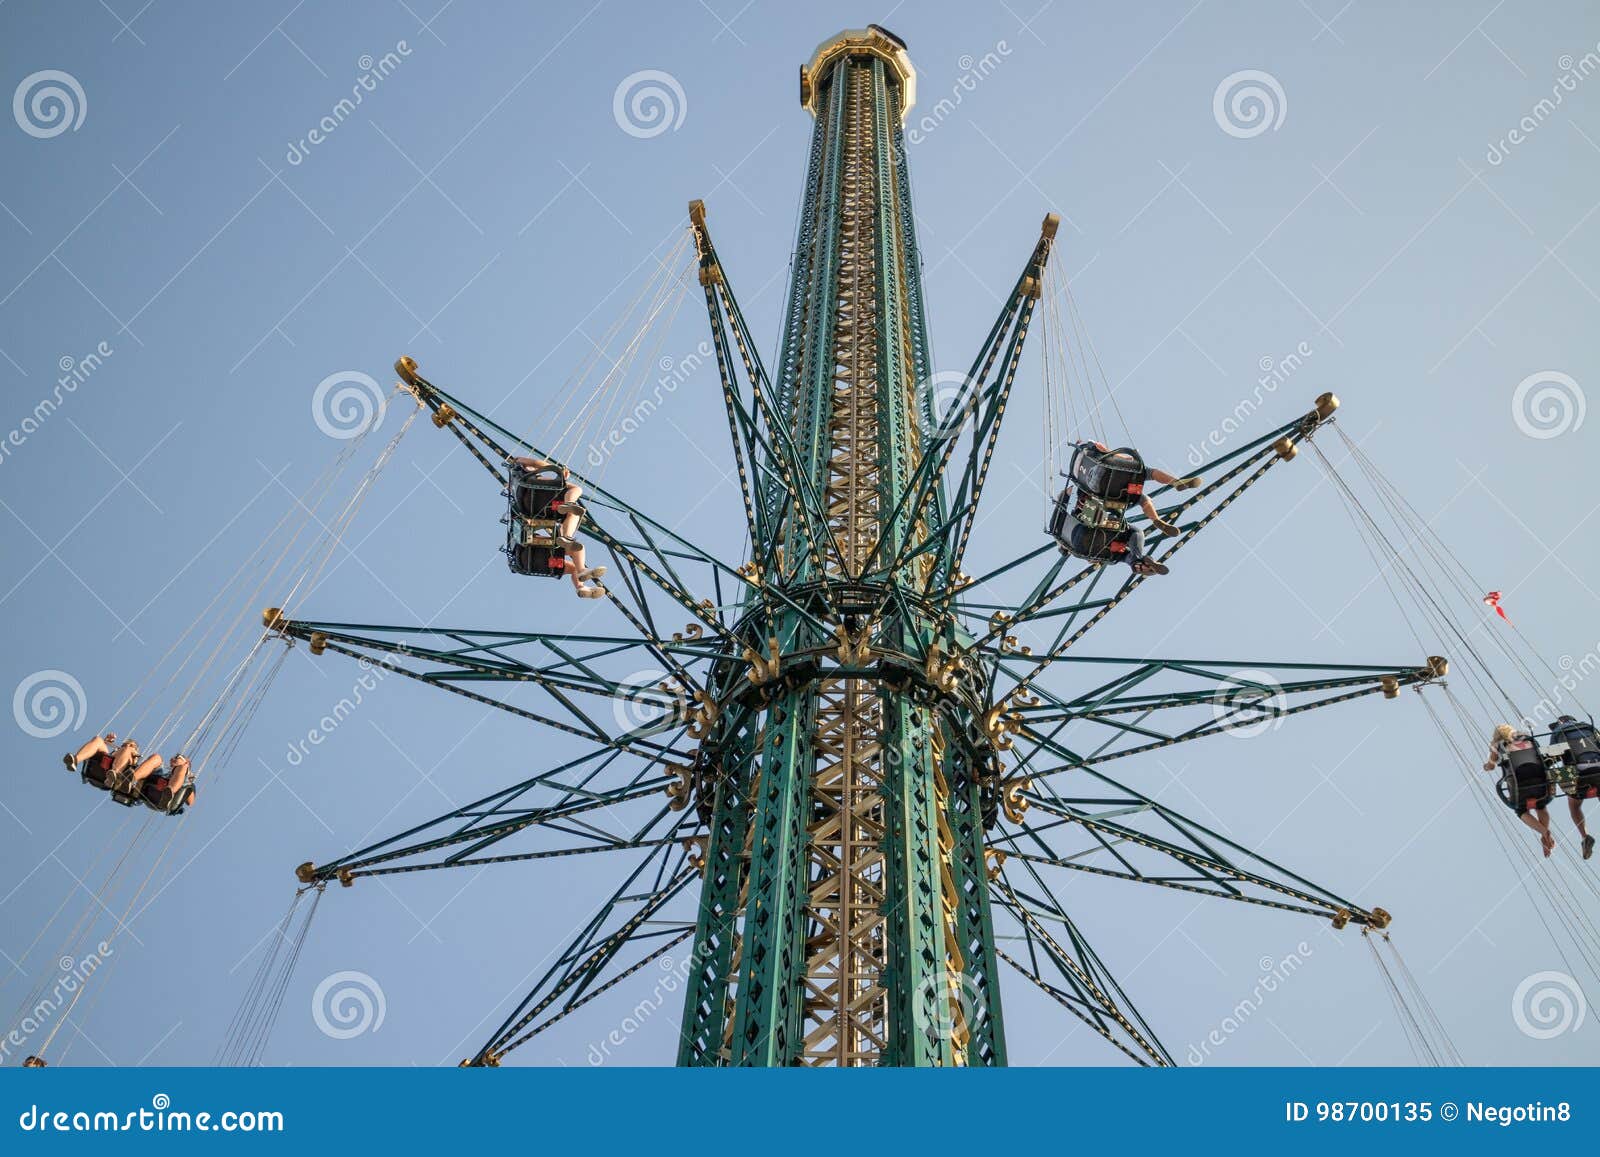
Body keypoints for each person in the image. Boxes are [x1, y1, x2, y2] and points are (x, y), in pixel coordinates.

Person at [512, 457, 607, 598]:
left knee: (576, 557)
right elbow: (535, 463)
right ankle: (568, 515)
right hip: (541, 499)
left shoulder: (517, 488)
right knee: (576, 489)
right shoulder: (525, 475)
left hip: (527, 558)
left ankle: (581, 584)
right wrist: (559, 472)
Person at [1484, 723, 1556, 856]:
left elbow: (1491, 765)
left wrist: (1486, 766)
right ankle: (1544, 834)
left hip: (1519, 784)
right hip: (1540, 779)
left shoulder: (1497, 744)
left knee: (1520, 810)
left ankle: (1544, 832)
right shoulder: (1527, 738)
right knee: (1541, 805)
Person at [1550, 714, 1599, 860]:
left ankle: (1585, 836)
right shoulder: (1589, 727)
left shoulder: (1558, 731)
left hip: (1579, 774)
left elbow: (1552, 756)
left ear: (1560, 722)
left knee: (1574, 806)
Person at [64, 733, 139, 787]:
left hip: (109, 780)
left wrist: (133, 756)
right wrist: (105, 741)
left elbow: (132, 770)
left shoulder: (132, 756)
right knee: (98, 739)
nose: (127, 745)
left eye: (132, 745)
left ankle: (113, 776)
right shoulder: (116, 753)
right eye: (124, 745)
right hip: (97, 768)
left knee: (127, 750)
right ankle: (75, 760)